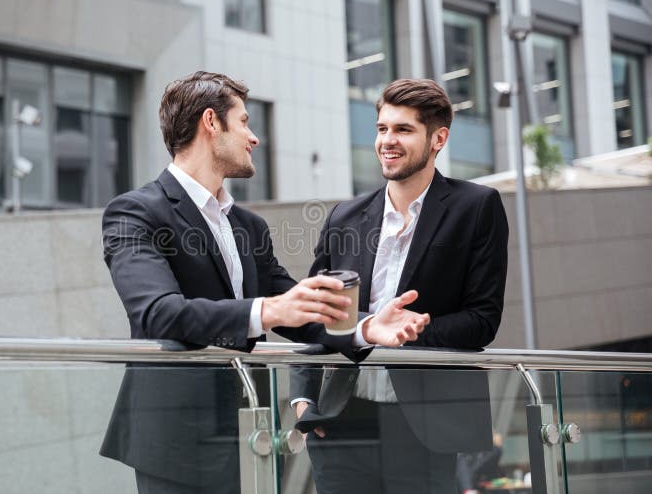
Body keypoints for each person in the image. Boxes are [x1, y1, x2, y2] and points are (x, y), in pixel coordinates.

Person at [98, 71, 430, 494]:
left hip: (245, 431)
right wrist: (269, 310)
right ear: (210, 123)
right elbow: (157, 313)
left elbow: (298, 309)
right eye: (244, 122)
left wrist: (364, 328)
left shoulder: (247, 226)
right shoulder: (134, 212)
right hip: (172, 440)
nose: (253, 138)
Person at [292, 78, 510, 494]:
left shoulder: (477, 207)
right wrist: (303, 402)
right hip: (341, 421)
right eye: (382, 129)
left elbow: (483, 319)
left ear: (438, 138)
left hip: (426, 426)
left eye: (403, 130)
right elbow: (314, 314)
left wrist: (410, 332)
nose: (387, 141)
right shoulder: (345, 217)